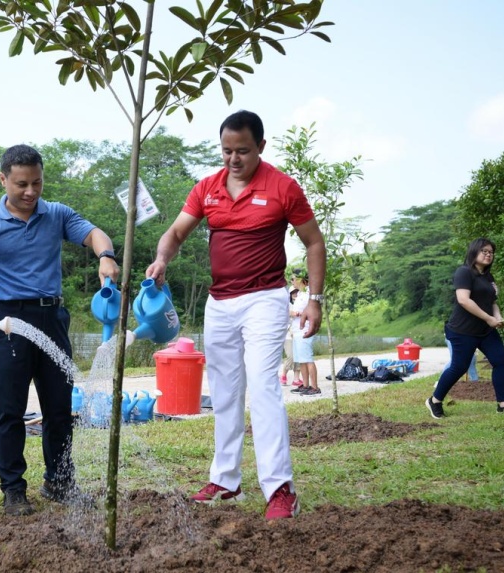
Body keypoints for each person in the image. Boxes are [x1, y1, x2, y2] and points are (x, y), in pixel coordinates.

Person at [145, 110, 325, 520]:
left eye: (242, 151)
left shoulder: (283, 188)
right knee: (224, 393)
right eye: (226, 151)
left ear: (261, 146)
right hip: (220, 303)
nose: (233, 159)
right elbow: (175, 233)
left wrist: (314, 298)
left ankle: (280, 489)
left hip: (264, 298)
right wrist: (161, 260)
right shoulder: (207, 188)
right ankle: (226, 481)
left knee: (262, 387)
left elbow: (314, 242)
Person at [0, 144, 120, 516]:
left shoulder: (57, 214)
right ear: (3, 180)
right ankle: (13, 489)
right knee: (10, 411)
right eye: (21, 184)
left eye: (37, 183)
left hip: (52, 319)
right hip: (8, 322)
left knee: (59, 409)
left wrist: (106, 255)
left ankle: (59, 482)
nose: (30, 192)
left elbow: (95, 234)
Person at [426, 238, 504, 418]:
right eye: (484, 251)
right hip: (462, 331)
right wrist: (489, 318)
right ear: (474, 252)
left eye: (491, 252)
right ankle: (434, 400)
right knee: (459, 367)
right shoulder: (464, 272)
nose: (488, 254)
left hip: (485, 330)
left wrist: (497, 317)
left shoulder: (488, 277)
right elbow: (463, 300)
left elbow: (492, 302)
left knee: (500, 360)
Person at [289, 269, 320, 396]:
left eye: (293, 279)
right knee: (301, 360)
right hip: (297, 331)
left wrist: (294, 313)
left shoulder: (308, 294)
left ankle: (315, 387)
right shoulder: (299, 295)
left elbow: (308, 312)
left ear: (301, 279)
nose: (292, 281)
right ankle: (305, 385)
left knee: (308, 359)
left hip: (305, 330)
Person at [278, 289, 302, 386]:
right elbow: (287, 312)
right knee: (291, 356)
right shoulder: (287, 304)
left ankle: (296, 379)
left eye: (297, 292)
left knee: (298, 356)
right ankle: (284, 374)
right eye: (293, 292)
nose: (295, 294)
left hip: (298, 333)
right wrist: (296, 313)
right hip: (288, 334)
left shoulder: (301, 304)